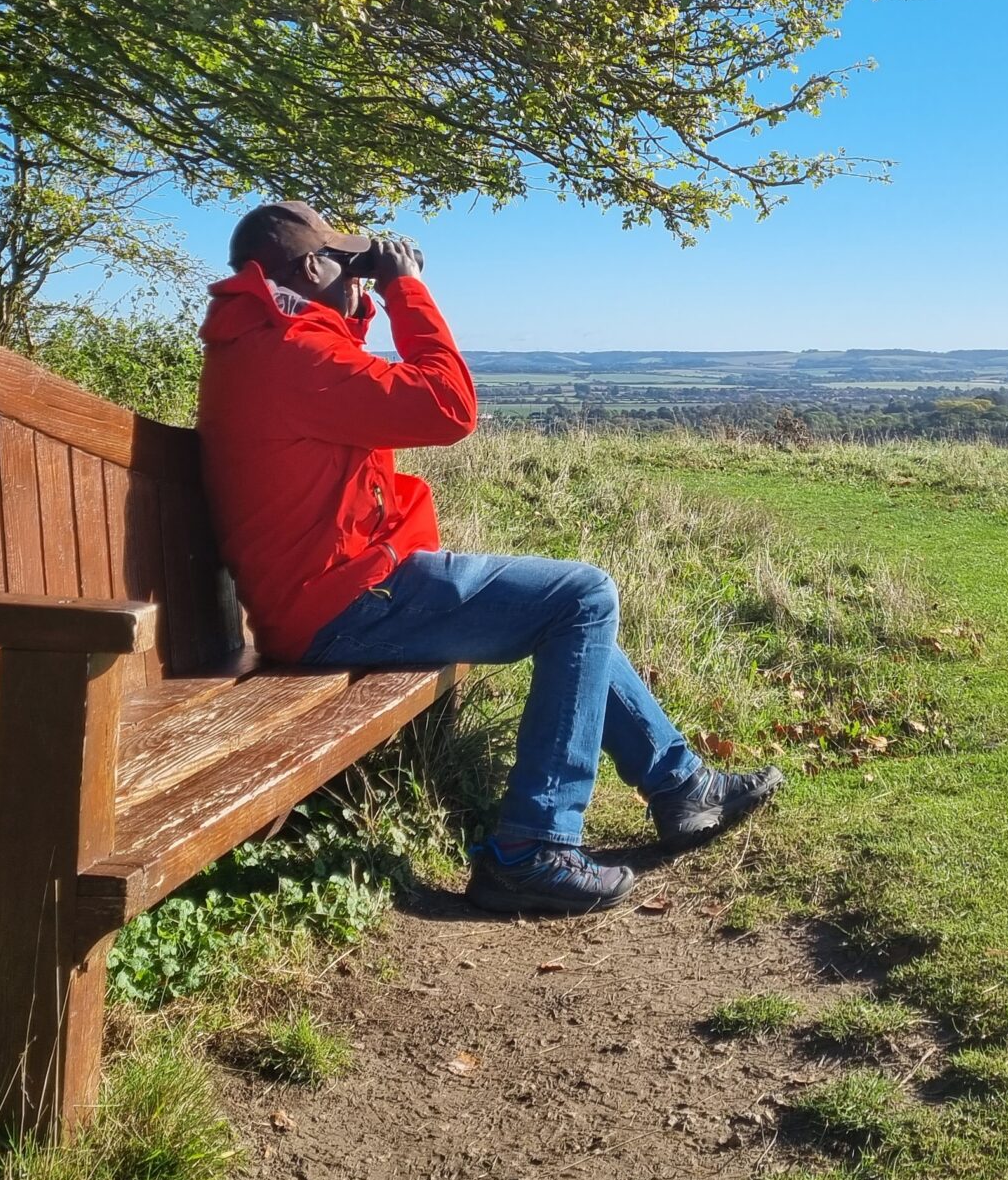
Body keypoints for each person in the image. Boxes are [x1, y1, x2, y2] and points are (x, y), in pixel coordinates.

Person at [196, 201, 783, 915]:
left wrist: (356, 297)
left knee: (568, 608)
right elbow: (449, 408)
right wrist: (404, 288)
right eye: (346, 262)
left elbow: (345, 369)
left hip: (334, 590)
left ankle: (681, 787)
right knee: (581, 597)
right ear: (309, 268)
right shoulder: (292, 359)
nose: (361, 276)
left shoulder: (263, 345)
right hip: (342, 605)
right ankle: (533, 846)